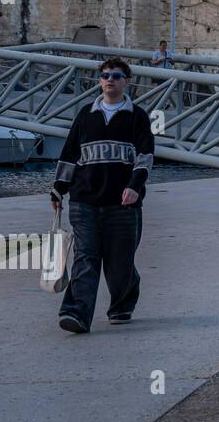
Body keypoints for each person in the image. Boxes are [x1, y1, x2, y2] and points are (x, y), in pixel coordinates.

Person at [52, 58, 155, 333]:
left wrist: (135, 186)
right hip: (84, 199)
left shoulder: (138, 117)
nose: (110, 79)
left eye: (117, 76)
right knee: (86, 256)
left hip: (123, 203)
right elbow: (70, 154)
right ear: (100, 81)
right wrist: (58, 188)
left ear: (127, 82)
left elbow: (145, 158)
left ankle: (122, 304)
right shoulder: (86, 114)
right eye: (106, 75)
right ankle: (76, 312)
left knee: (120, 260)